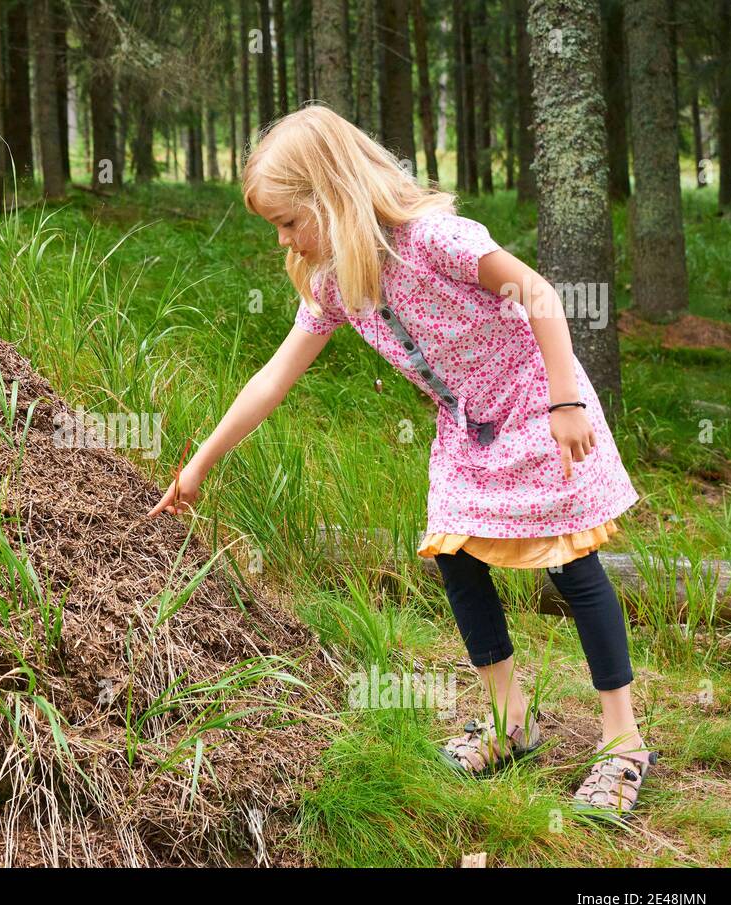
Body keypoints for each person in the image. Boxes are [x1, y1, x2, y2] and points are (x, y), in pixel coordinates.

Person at [147, 104, 657, 817]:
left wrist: (566, 400)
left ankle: (622, 740)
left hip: (535, 398)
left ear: (330, 194)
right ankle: (511, 720)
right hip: (465, 425)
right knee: (453, 552)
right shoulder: (334, 281)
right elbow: (273, 377)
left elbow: (538, 293)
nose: (285, 239)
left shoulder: (434, 240)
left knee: (572, 561)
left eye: (290, 220)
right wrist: (199, 462)